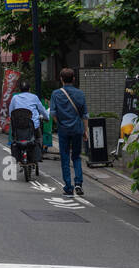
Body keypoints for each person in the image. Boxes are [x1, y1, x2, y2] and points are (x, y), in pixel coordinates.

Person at [49, 67, 89, 197]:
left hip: (63, 129)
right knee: (76, 157)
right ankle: (78, 183)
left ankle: (68, 187)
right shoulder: (80, 94)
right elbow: (85, 115)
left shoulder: (56, 94)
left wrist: (59, 123)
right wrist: (85, 131)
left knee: (65, 157)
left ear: (61, 79)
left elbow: (53, 113)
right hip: (77, 128)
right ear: (73, 79)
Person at [8, 79, 48, 146]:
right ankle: (39, 148)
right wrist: (47, 117)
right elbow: (42, 110)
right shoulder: (34, 97)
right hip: (33, 127)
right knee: (39, 137)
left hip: (18, 126)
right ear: (29, 89)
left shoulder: (15, 98)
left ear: (20, 89)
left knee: (15, 139)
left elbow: (10, 113)